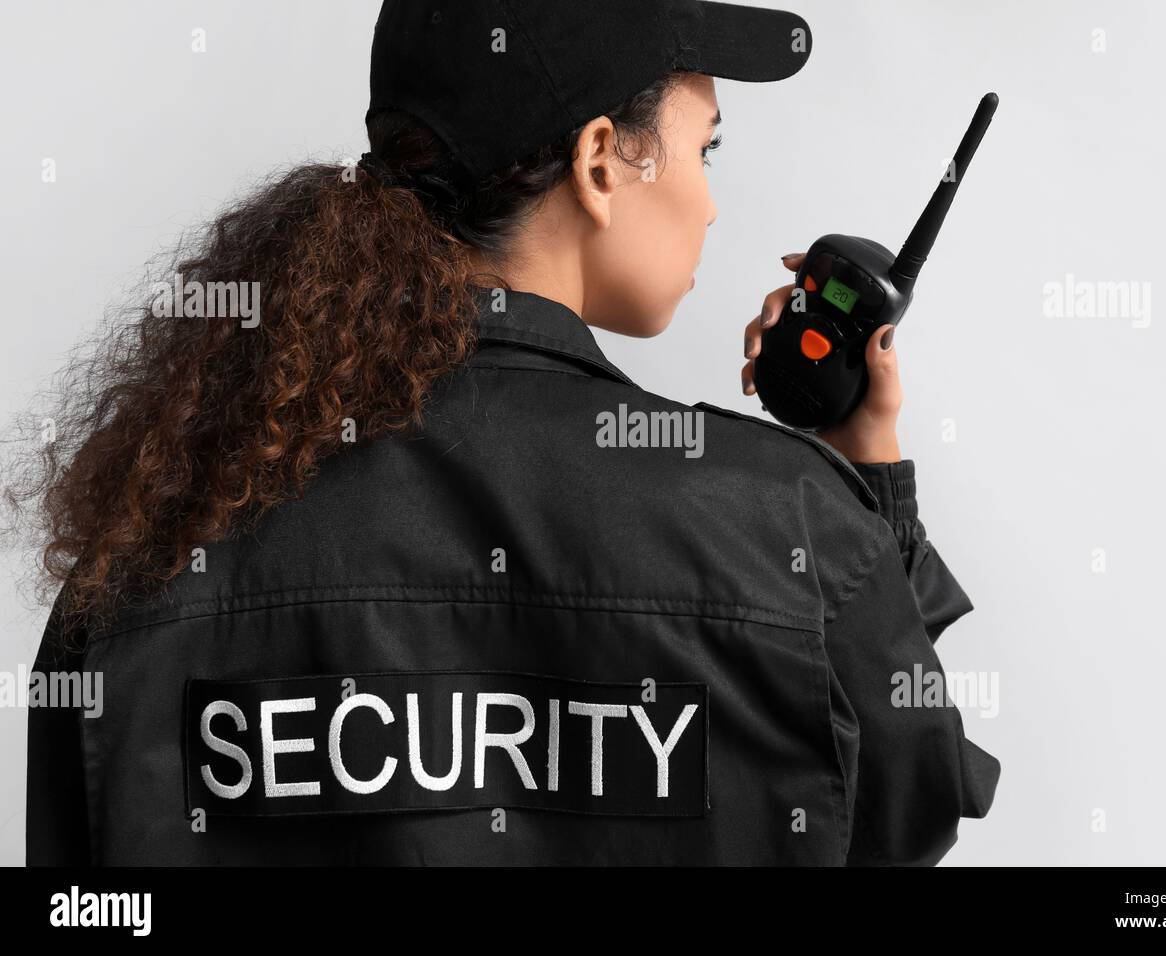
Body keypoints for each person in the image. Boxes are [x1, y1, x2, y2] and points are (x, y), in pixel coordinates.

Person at [21, 0, 999, 865]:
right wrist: (861, 484)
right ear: (601, 160)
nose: (708, 201)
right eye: (706, 149)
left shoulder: (141, 559)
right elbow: (914, 800)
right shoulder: (793, 527)